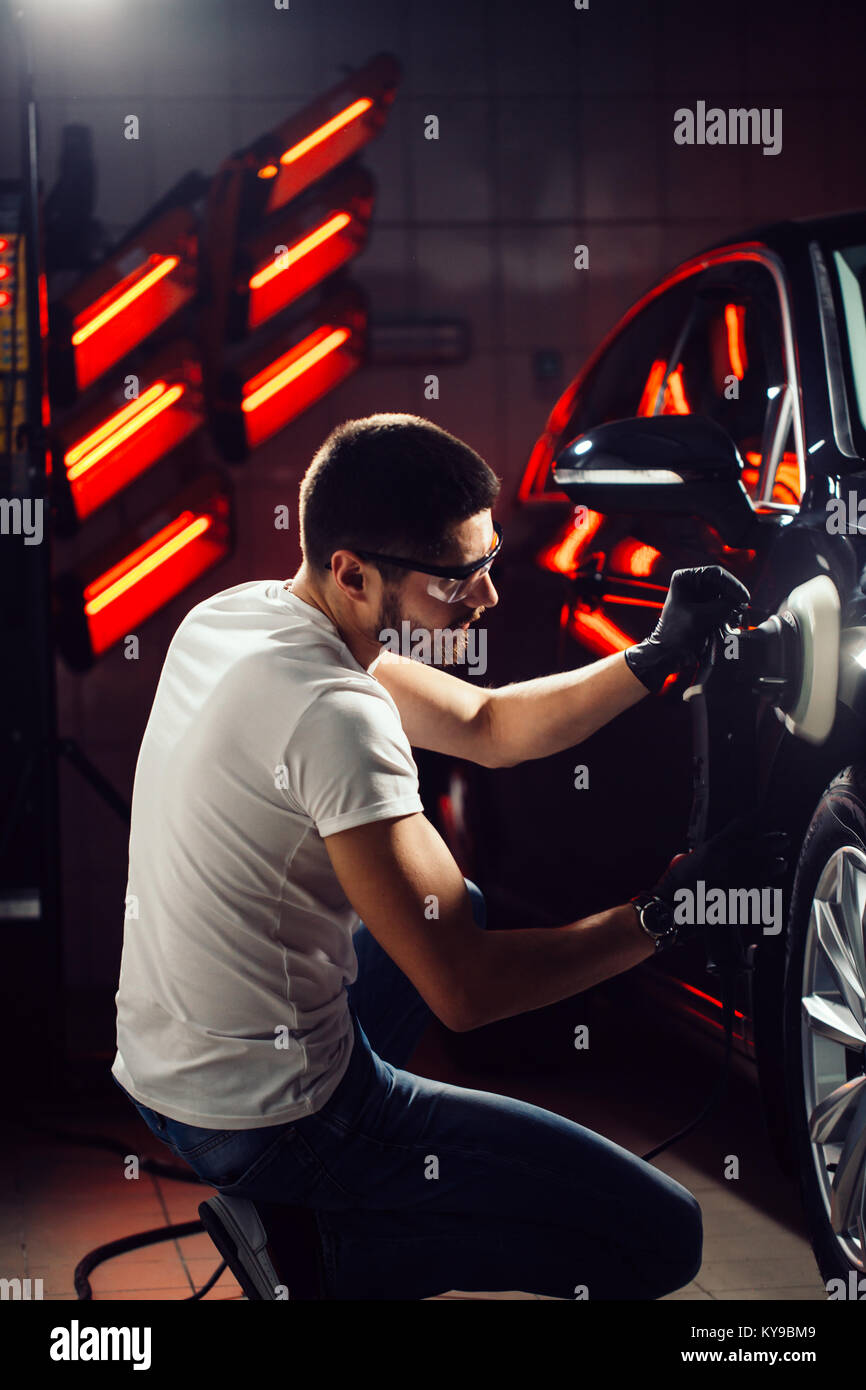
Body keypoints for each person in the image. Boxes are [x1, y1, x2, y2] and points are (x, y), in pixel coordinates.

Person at [111, 411, 787, 1301]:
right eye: (461, 577)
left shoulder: (237, 618)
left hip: (159, 1071)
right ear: (353, 573)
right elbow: (467, 993)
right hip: (262, 1116)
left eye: (490, 561)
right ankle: (317, 1252)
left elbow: (486, 724)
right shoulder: (335, 715)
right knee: (665, 1237)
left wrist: (654, 657)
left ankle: (305, 1201)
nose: (489, 598)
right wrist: (664, 917)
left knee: (450, 896)